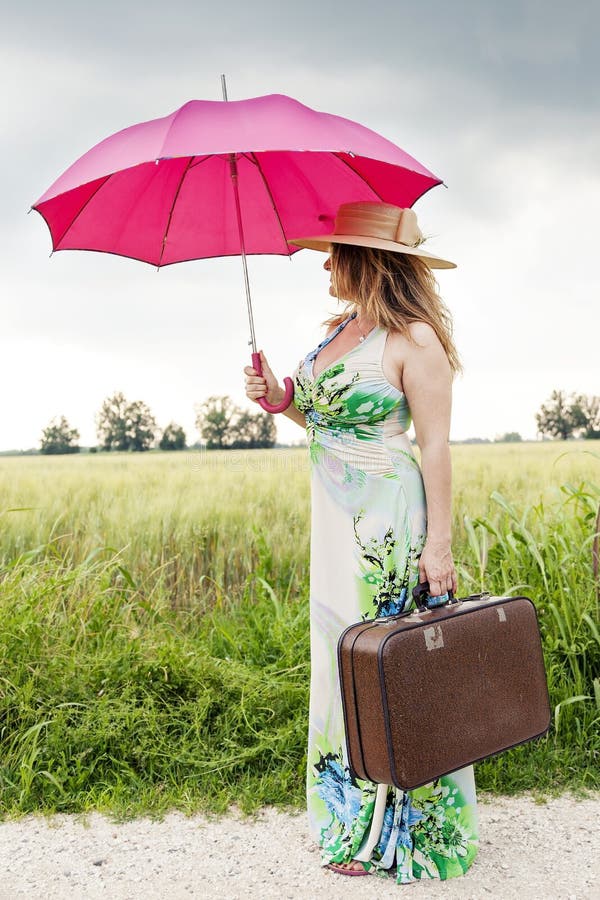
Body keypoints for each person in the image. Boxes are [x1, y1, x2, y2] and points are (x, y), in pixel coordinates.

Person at [243, 201, 478, 883]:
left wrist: (440, 545)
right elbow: (320, 422)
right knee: (341, 659)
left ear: (363, 259)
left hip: (389, 523)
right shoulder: (339, 332)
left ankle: (398, 831)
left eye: (333, 250)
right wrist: (278, 396)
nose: (323, 261)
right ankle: (353, 821)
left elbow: (434, 445)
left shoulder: (415, 339)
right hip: (336, 527)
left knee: (389, 667)